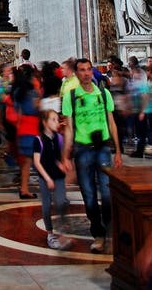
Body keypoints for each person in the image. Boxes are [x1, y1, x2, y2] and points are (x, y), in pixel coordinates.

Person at [62, 57, 122, 253]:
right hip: (83, 149)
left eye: (89, 69)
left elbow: (112, 122)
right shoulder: (70, 97)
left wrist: (118, 151)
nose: (86, 73)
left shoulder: (103, 94)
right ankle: (98, 234)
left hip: (103, 148)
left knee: (106, 193)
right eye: (82, 70)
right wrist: (66, 155)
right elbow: (69, 128)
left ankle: (110, 230)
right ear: (77, 73)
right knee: (88, 195)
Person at [33, 110, 72, 250]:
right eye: (53, 120)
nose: (56, 122)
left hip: (58, 176)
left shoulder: (59, 138)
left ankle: (63, 231)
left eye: (57, 119)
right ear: (45, 122)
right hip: (45, 177)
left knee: (61, 202)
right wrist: (47, 178)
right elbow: (37, 162)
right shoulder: (38, 140)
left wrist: (63, 162)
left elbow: (60, 155)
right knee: (46, 205)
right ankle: (50, 233)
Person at [12, 65, 41, 199]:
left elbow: (17, 112)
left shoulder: (18, 92)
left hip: (22, 128)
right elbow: (38, 109)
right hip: (32, 128)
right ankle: (48, 186)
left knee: (26, 162)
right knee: (36, 161)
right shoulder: (33, 93)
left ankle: (24, 188)